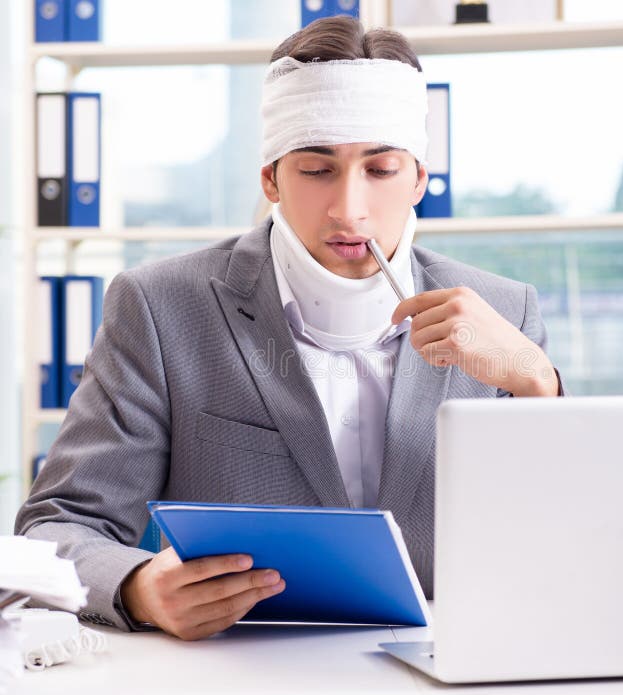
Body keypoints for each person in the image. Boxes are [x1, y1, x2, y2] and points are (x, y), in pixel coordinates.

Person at [16, 16, 562, 641]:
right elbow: (56, 528)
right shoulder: (161, 307)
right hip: (243, 668)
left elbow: (572, 536)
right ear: (271, 179)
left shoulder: (505, 310)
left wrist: (537, 384)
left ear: (420, 181)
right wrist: (138, 587)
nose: (349, 209)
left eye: (381, 170)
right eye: (316, 169)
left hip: (453, 664)